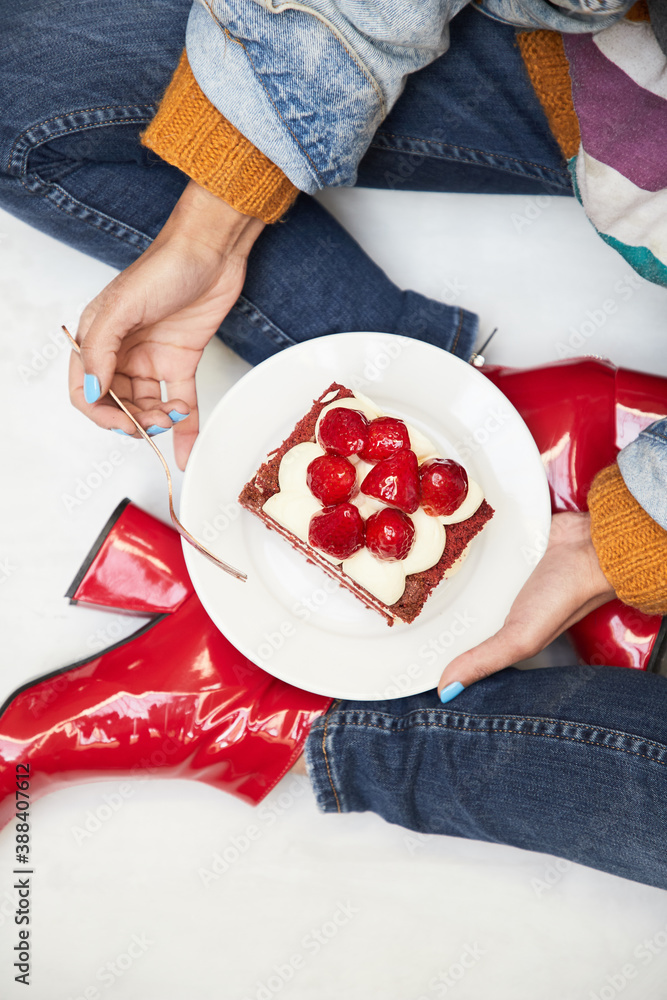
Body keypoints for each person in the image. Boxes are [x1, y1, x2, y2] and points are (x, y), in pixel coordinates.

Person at [1, 0, 666, 888]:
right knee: (28, 88)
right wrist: (214, 225)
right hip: (621, 86)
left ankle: (287, 712)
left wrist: (633, 535)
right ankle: (494, 426)